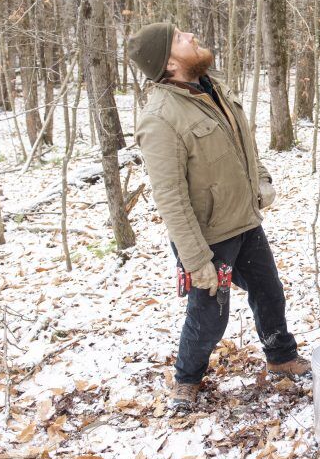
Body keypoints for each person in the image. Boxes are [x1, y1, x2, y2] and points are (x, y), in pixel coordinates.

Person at [129, 22, 309, 408]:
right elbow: (170, 198)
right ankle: (186, 379)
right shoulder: (160, 117)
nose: (191, 36)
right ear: (169, 62)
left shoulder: (211, 87)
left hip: (244, 219)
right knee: (210, 315)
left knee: (269, 292)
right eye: (179, 38)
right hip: (207, 236)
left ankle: (281, 358)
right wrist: (197, 260)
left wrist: (260, 179)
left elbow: (242, 140)